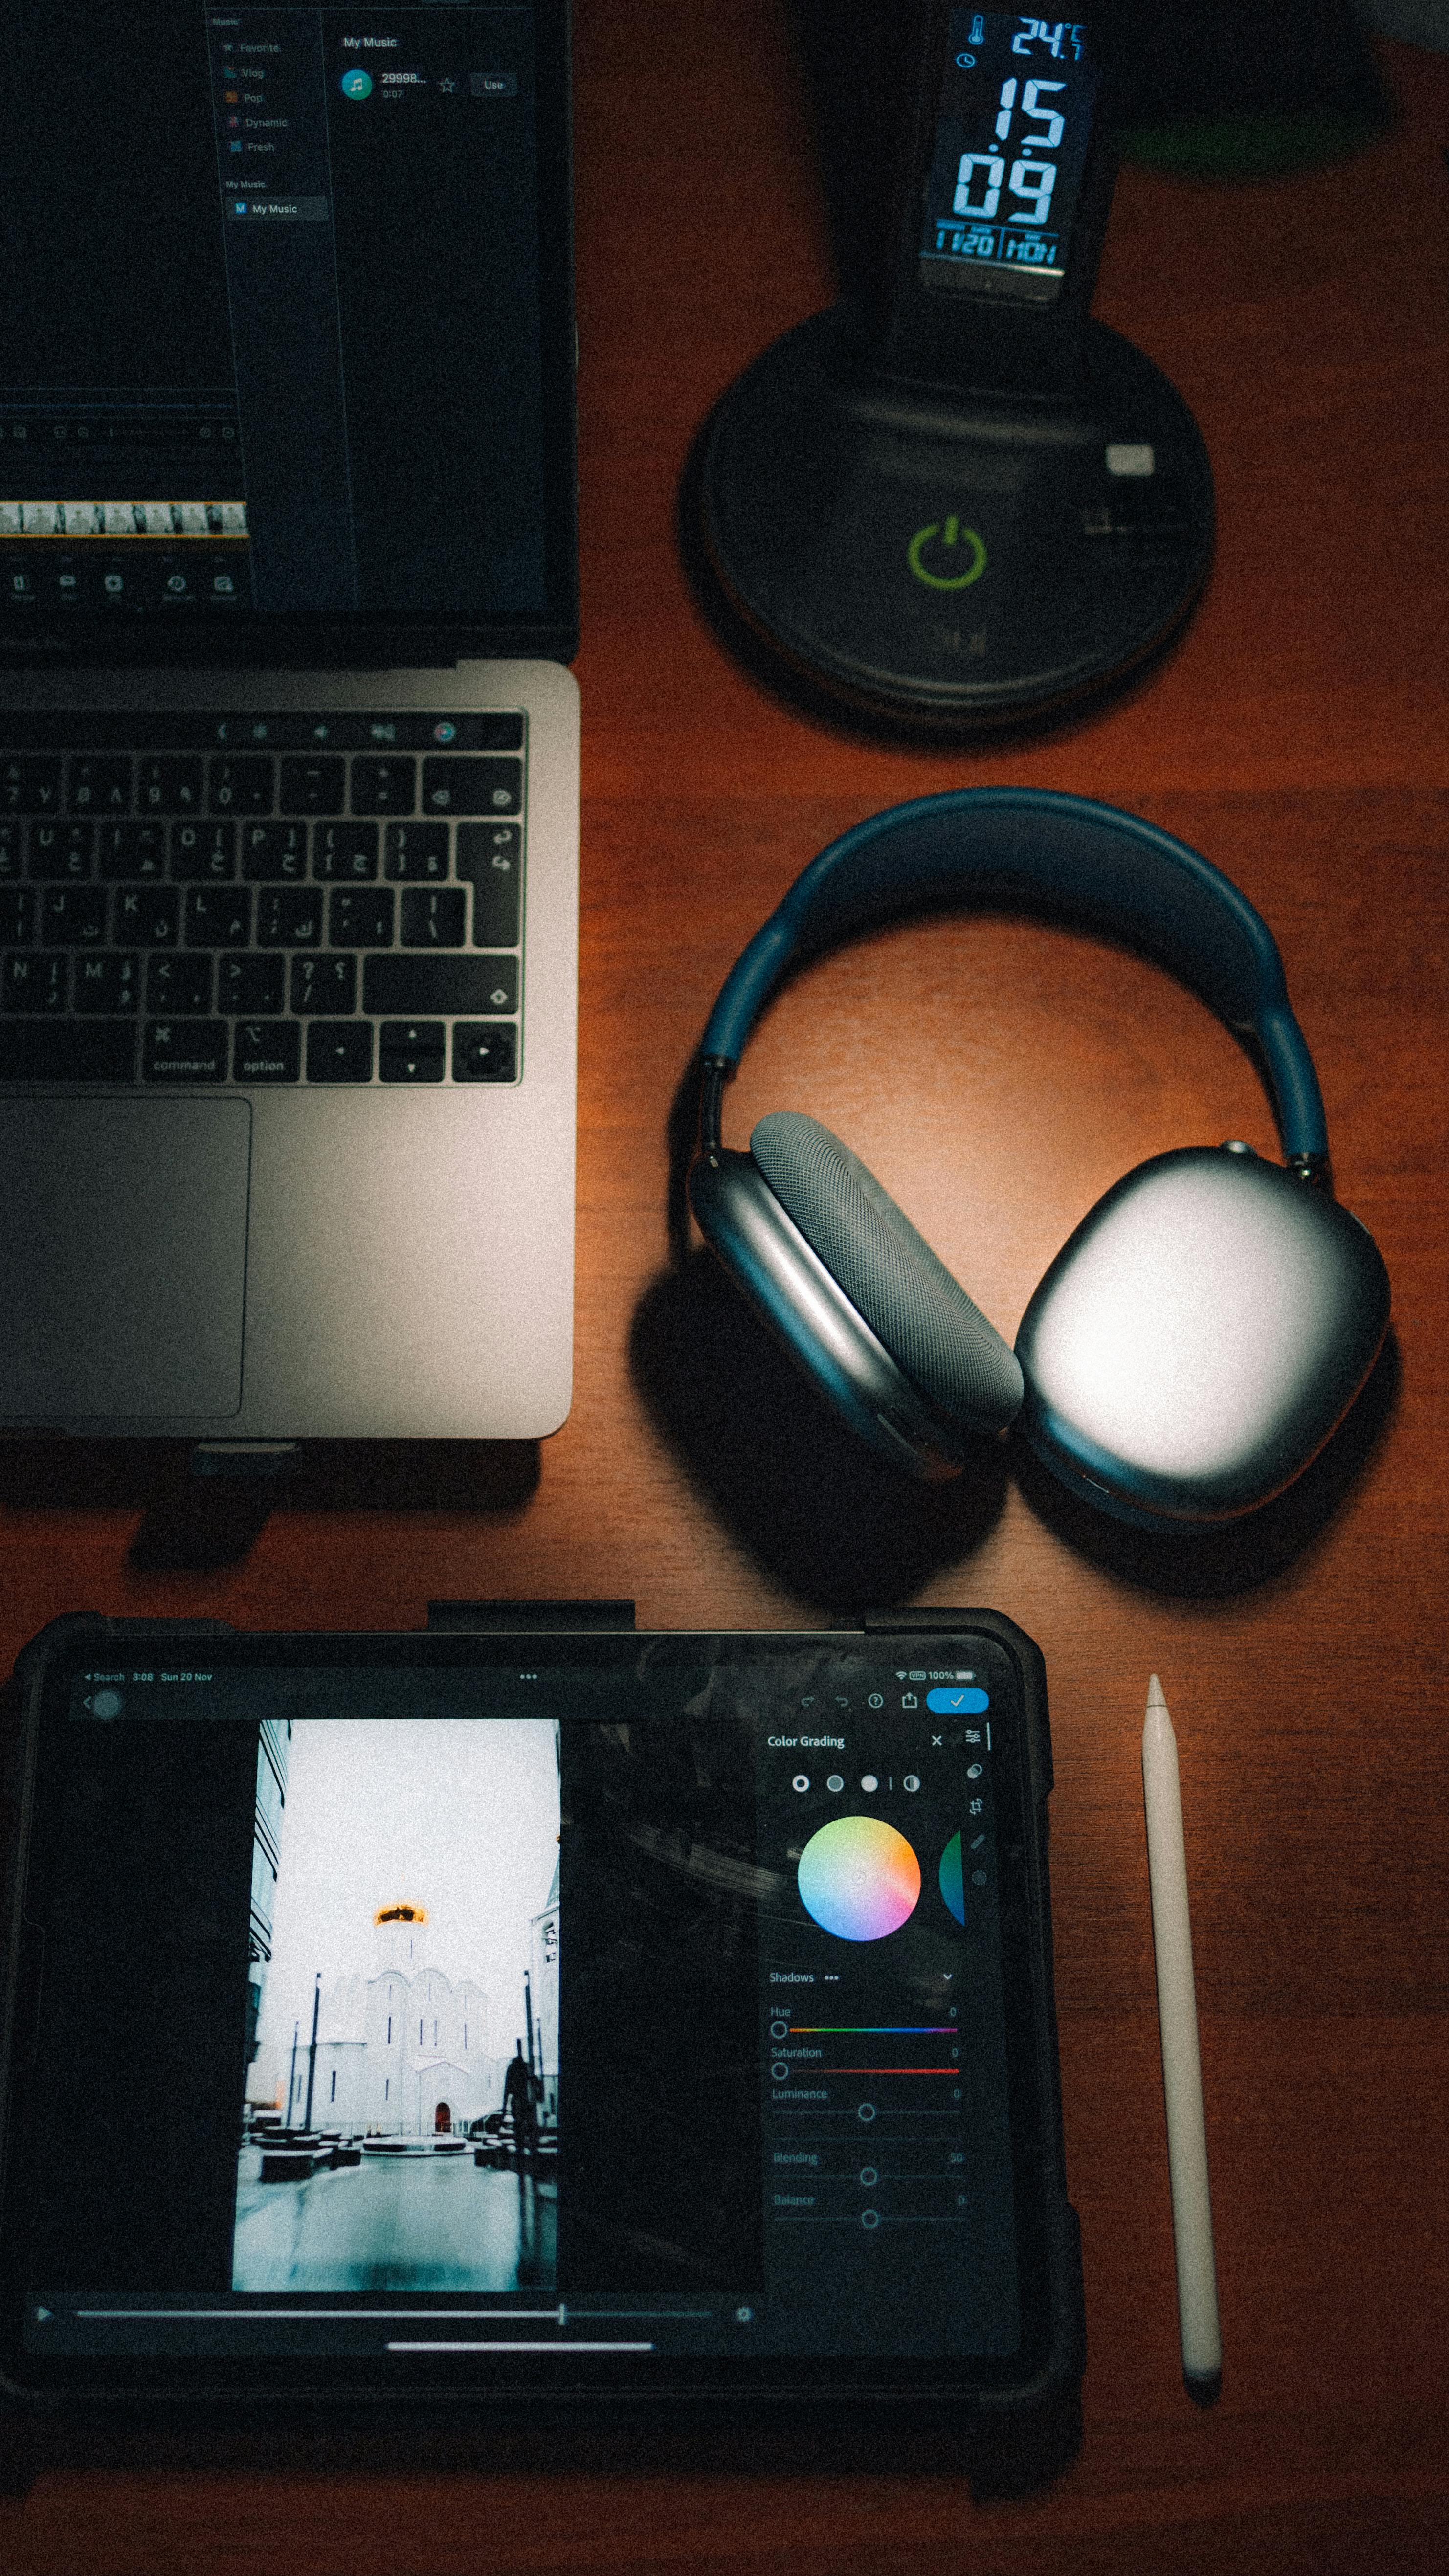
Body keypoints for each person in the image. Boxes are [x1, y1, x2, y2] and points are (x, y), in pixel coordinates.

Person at [500, 2041, 540, 2160]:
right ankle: (530, 2155)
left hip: (518, 2103)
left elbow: (507, 2090)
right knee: (528, 2128)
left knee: (519, 2131)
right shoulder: (526, 2066)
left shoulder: (513, 2068)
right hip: (526, 2102)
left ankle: (521, 2155)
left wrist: (504, 2108)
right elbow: (535, 2083)